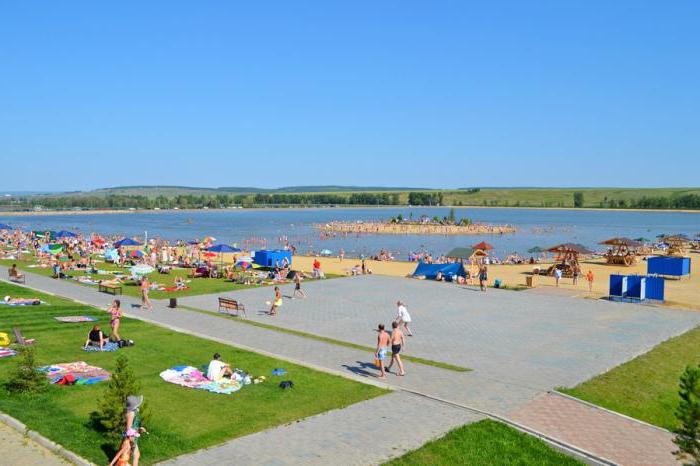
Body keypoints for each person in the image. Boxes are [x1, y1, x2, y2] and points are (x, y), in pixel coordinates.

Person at [124, 395, 147, 466]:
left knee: (135, 455)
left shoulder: (133, 412)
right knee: (134, 455)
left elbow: (133, 426)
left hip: (133, 437)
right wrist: (131, 438)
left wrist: (139, 429)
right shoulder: (131, 414)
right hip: (131, 438)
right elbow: (128, 429)